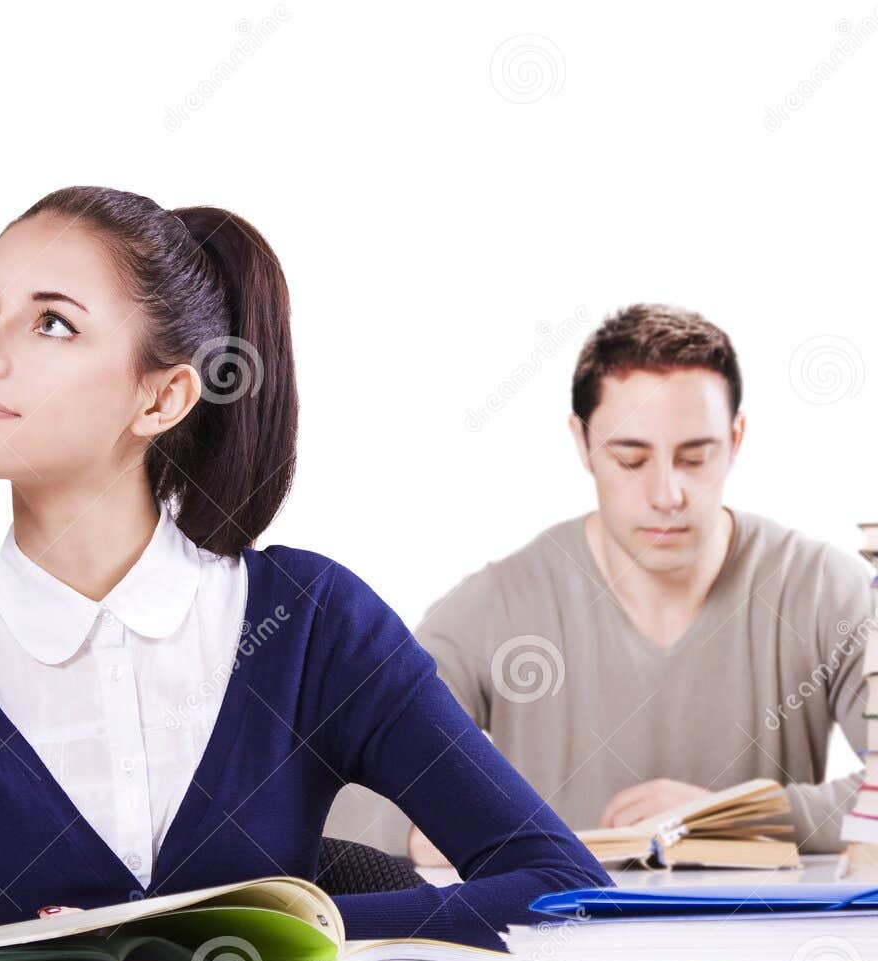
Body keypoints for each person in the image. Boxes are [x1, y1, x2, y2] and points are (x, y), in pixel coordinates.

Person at [0, 185, 609, 951]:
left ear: (161, 397)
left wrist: (232, 929)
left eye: (52, 324)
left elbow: (562, 889)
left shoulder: (315, 623)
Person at [328, 304, 871, 865]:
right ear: (583, 443)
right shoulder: (496, 606)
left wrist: (744, 818)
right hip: (551, 942)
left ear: (736, 440)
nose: (667, 494)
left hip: (758, 945)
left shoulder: (825, 589)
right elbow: (334, 789)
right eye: (631, 459)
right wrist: (434, 832)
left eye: (695, 456)